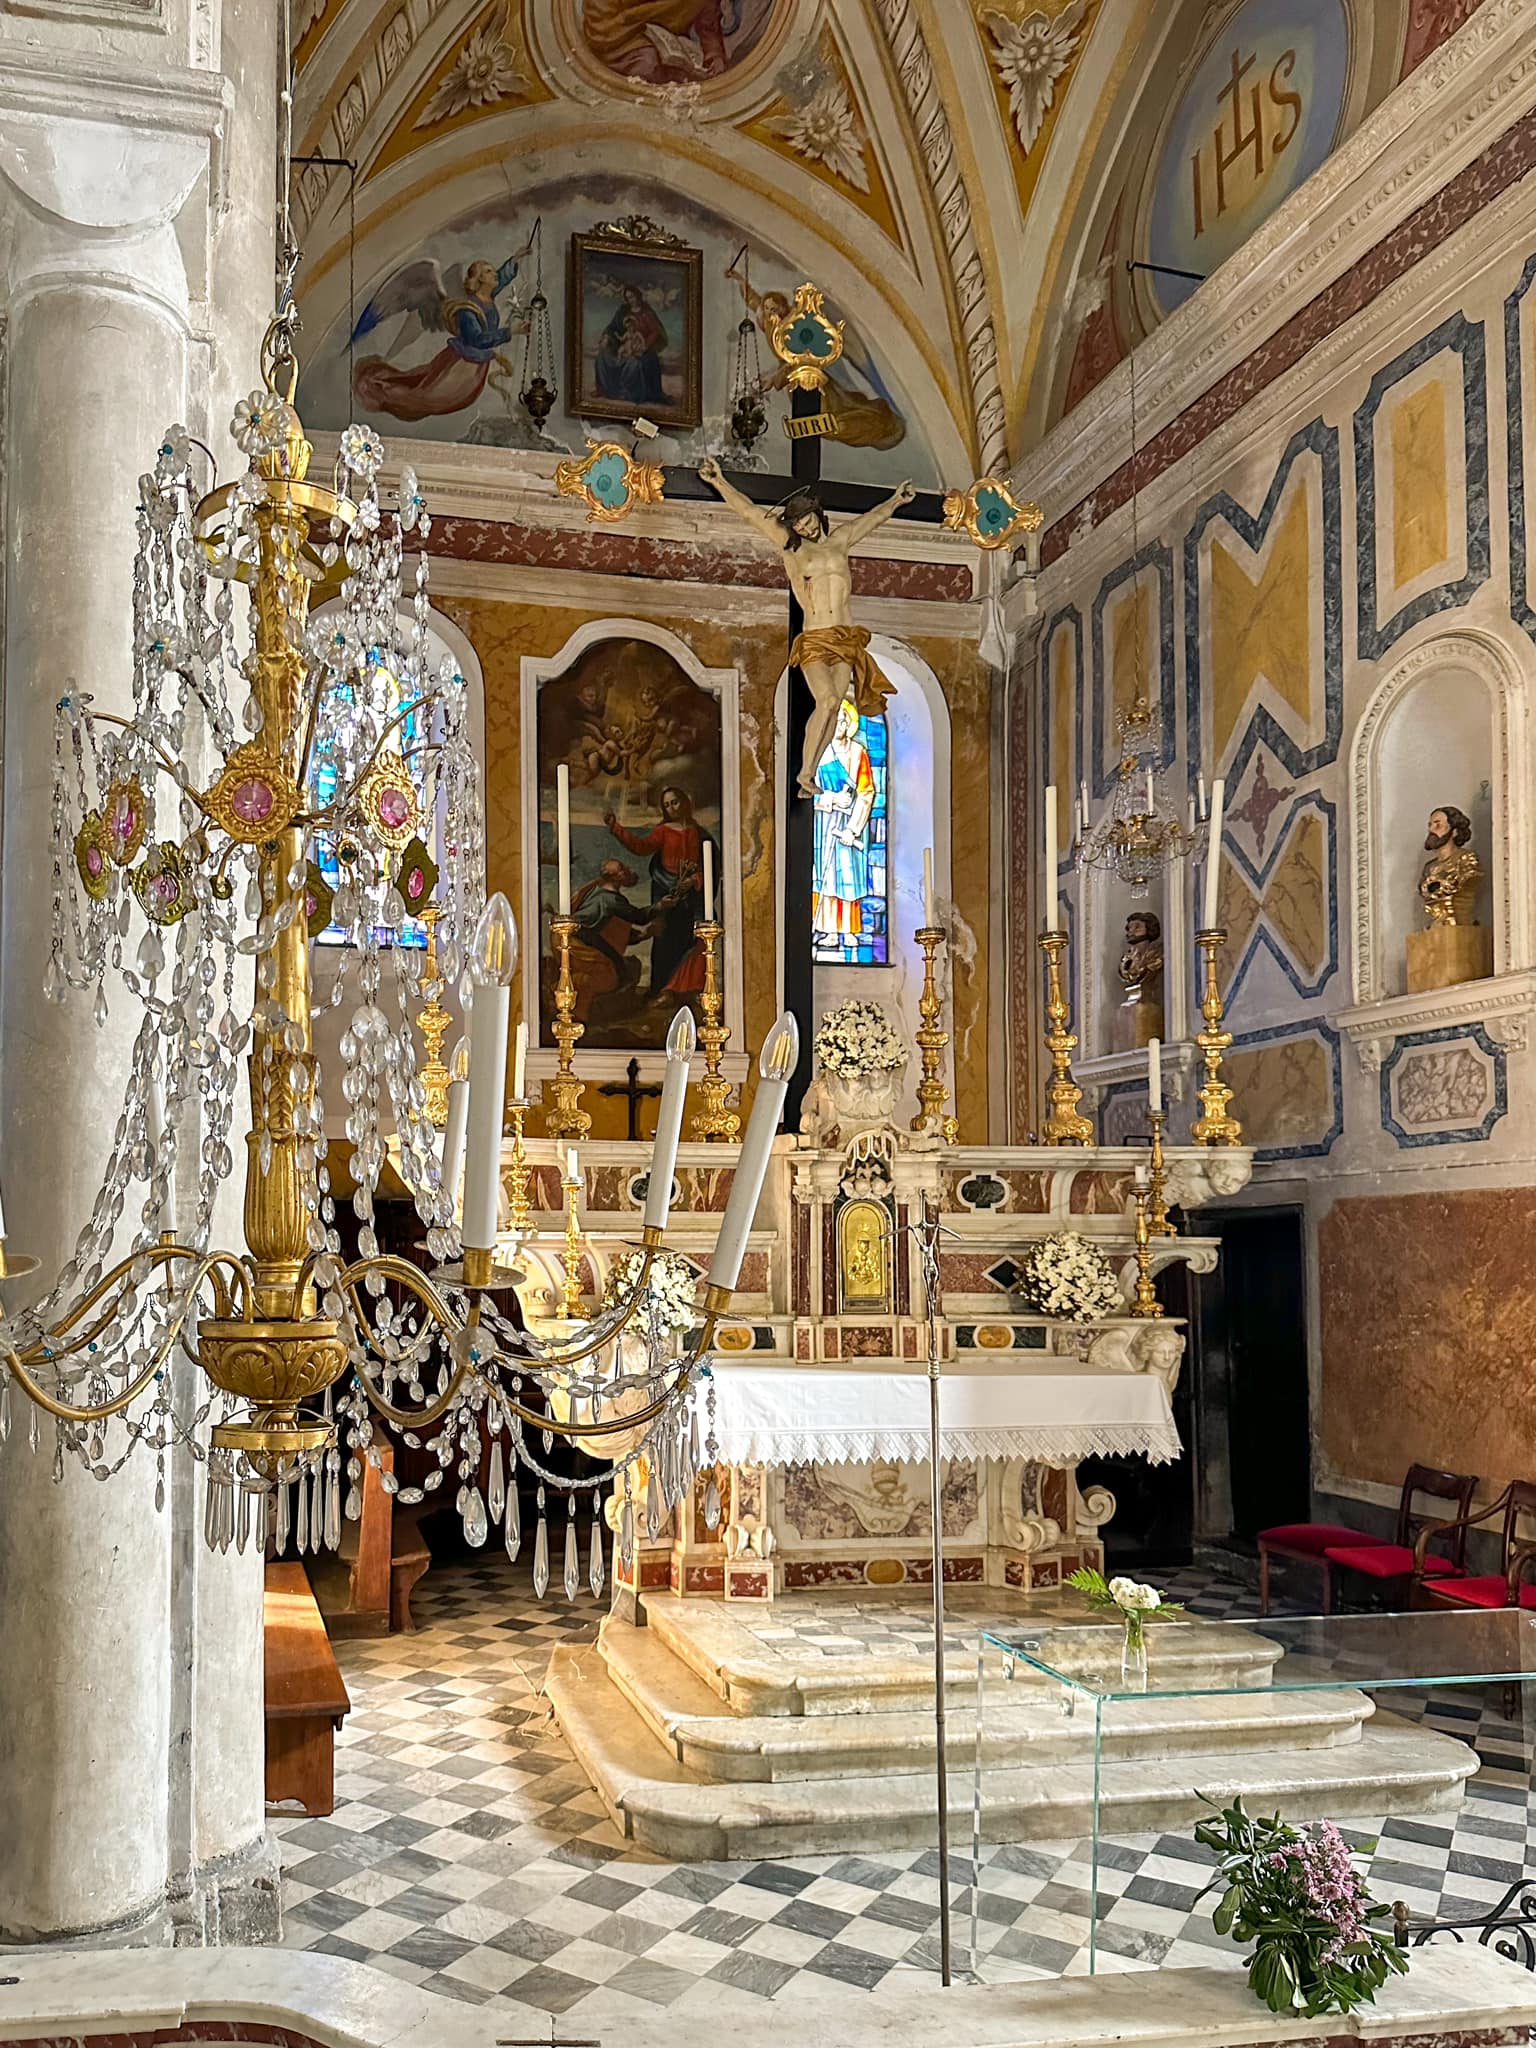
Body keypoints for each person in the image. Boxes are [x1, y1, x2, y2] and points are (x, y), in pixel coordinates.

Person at [699, 455, 914, 795]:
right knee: (826, 700)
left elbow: (872, 520)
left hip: (845, 636)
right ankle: (805, 772)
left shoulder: (841, 540)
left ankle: (809, 775)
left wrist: (895, 501)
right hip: (815, 637)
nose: (804, 528)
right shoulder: (791, 548)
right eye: (797, 524)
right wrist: (719, 482)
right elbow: (751, 513)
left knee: (834, 708)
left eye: (806, 520)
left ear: (818, 513)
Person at [351, 248, 532, 424]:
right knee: (423, 397)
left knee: (427, 396)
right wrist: (511, 331)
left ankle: (385, 386)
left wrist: (515, 259)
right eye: (489, 271)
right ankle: (379, 387)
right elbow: (476, 339)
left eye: (493, 271)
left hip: (475, 368)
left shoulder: (486, 298)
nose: (495, 274)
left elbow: (501, 278)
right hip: (459, 365)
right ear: (480, 279)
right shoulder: (467, 310)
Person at [603, 785, 715, 995]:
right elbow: (641, 847)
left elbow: (712, 865)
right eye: (666, 805)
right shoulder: (663, 831)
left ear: (683, 802)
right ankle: (662, 990)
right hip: (666, 891)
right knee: (664, 939)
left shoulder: (699, 834)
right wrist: (616, 828)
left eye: (674, 802)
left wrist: (695, 880)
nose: (671, 807)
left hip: (692, 895)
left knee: (692, 939)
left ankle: (687, 988)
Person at [812, 699, 877, 951]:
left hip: (849, 825)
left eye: (843, 720)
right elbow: (808, 793)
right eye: (835, 721)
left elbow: (866, 792)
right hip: (825, 824)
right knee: (826, 876)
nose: (839, 725)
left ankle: (849, 930)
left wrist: (853, 829)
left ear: (849, 724)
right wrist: (830, 799)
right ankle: (829, 930)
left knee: (849, 877)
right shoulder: (820, 753)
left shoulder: (858, 752)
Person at [594, 283, 667, 408]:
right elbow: (612, 327)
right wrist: (606, 337)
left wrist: (644, 346)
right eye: (628, 298)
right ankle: (606, 390)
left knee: (634, 364)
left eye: (632, 297)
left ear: (638, 296)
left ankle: (628, 393)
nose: (630, 300)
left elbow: (655, 332)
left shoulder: (646, 313)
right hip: (623, 347)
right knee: (602, 356)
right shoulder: (623, 311)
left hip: (641, 349)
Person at [1418, 805, 1482, 927]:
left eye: (1438, 825)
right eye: (1430, 825)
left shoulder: (1466, 860)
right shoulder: (1429, 868)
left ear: (1454, 832)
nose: (1432, 830)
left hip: (1460, 923)